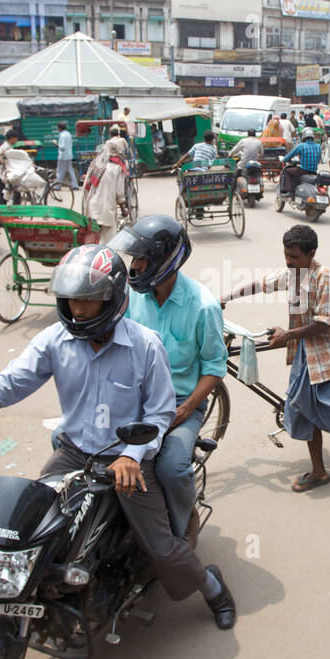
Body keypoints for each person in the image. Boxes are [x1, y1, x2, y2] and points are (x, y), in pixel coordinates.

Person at [0, 245, 236, 629]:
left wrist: (132, 455)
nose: (77, 309)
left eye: (89, 300)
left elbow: (159, 413)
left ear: (112, 298)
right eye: (72, 299)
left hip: (127, 460)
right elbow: (9, 383)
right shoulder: (55, 340)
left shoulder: (144, 345)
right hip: (73, 453)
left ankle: (211, 587)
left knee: (161, 546)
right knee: (28, 527)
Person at [221, 226, 330, 493]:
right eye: (286, 255)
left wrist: (287, 335)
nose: (288, 261)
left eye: (294, 256)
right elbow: (261, 284)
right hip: (306, 350)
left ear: (311, 254)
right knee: (304, 409)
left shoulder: (324, 278)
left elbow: (324, 324)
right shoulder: (293, 274)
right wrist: (225, 298)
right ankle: (319, 471)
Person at [108, 217, 225, 543]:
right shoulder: (131, 298)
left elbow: (214, 367)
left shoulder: (203, 306)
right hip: (137, 398)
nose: (134, 266)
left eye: (142, 258)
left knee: (171, 468)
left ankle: (188, 514)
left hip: (179, 402)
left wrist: (184, 411)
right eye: (134, 258)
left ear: (164, 261)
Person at [85, 130, 131, 242]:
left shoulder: (99, 164)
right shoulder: (118, 168)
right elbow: (119, 193)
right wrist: (124, 210)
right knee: (108, 241)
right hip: (107, 209)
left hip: (93, 206)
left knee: (95, 238)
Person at [279, 130, 322, 195]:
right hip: (314, 172)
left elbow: (291, 155)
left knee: (287, 171)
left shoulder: (301, 146)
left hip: (303, 171)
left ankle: (288, 191)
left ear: (304, 137)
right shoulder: (318, 146)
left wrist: (283, 159)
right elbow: (318, 160)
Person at [229, 129, 264, 200]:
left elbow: (234, 150)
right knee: (260, 176)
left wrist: (229, 155)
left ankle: (231, 195)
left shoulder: (243, 141)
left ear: (247, 135)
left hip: (243, 165)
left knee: (234, 177)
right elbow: (262, 154)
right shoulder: (259, 142)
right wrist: (258, 158)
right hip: (254, 165)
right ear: (255, 135)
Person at [53, 121, 78, 191]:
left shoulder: (62, 135)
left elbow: (62, 147)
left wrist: (56, 144)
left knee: (59, 171)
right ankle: (75, 185)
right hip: (69, 155)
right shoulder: (68, 134)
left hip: (62, 156)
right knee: (70, 170)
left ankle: (57, 186)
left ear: (60, 128)